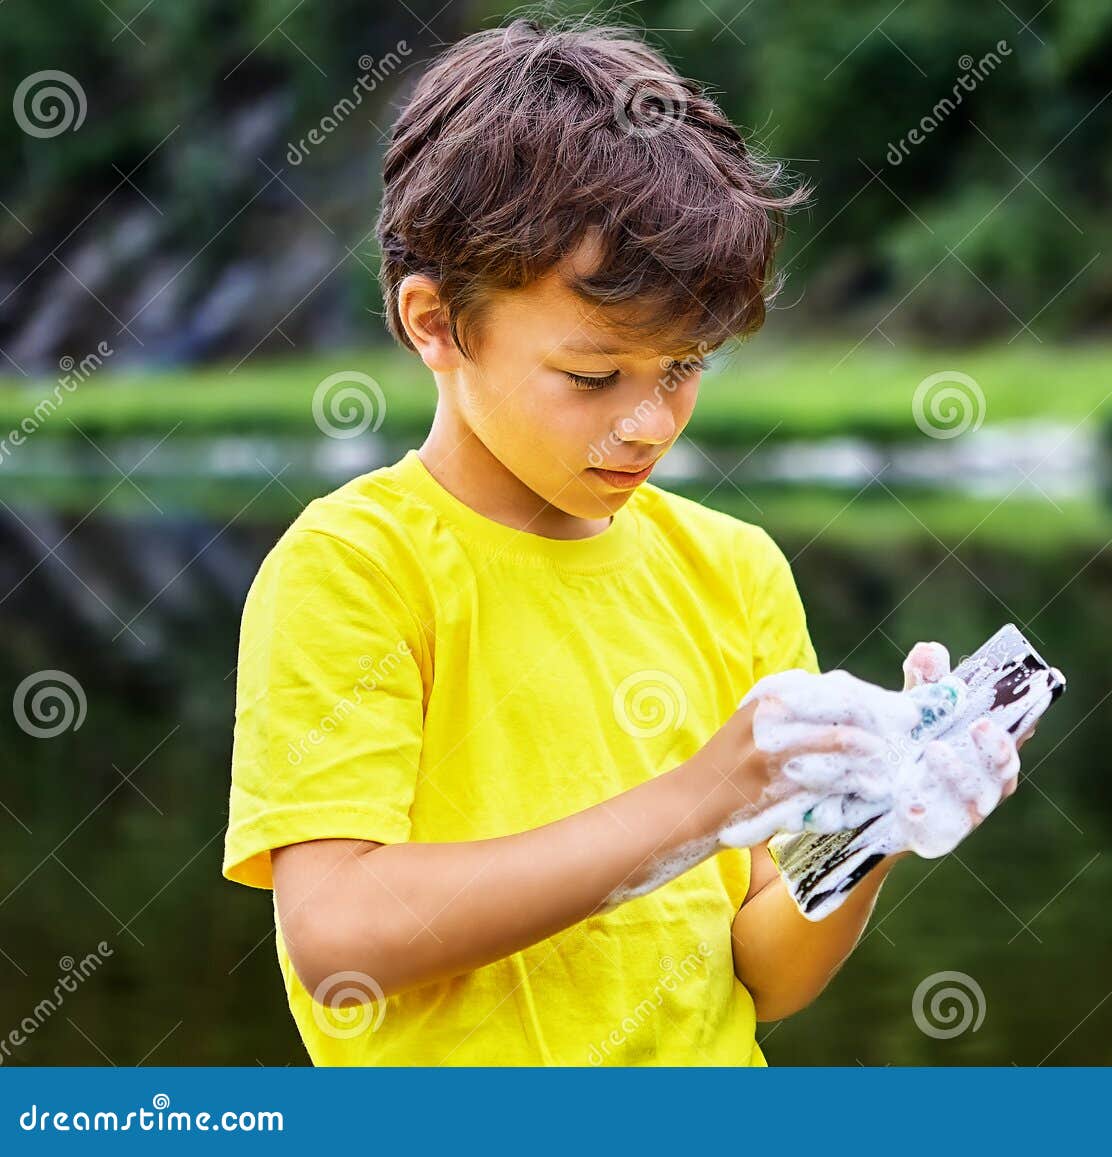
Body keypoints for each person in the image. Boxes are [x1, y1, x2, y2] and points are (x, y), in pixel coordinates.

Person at [221, 16, 1024, 1066]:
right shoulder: (357, 567)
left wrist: (874, 823)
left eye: (685, 365)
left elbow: (767, 972)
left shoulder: (732, 570)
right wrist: (702, 801)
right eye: (594, 376)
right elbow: (339, 938)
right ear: (435, 322)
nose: (647, 421)